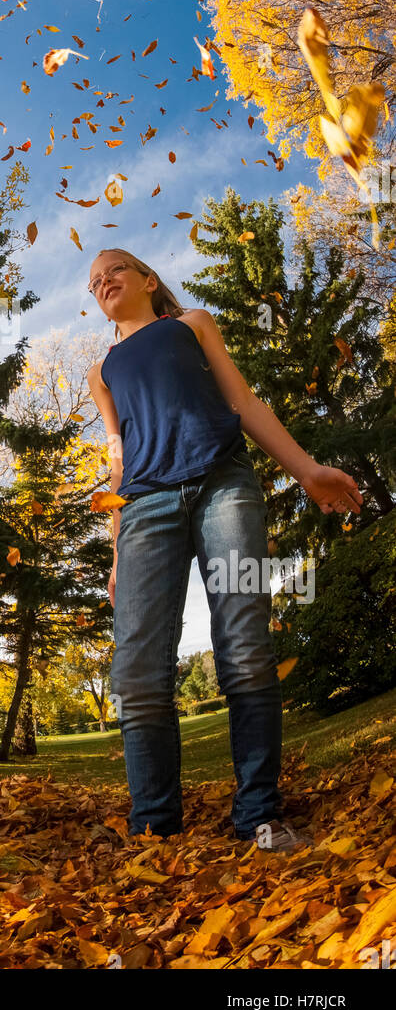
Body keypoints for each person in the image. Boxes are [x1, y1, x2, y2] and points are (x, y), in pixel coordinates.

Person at [86, 248, 363, 853]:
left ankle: (259, 815)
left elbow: (244, 403)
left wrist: (307, 470)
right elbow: (117, 459)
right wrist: (116, 551)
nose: (103, 281)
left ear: (148, 280)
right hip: (143, 508)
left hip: (222, 484)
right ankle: (155, 828)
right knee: (136, 671)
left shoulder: (191, 324)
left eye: (115, 271)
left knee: (243, 641)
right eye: (94, 282)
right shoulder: (102, 370)